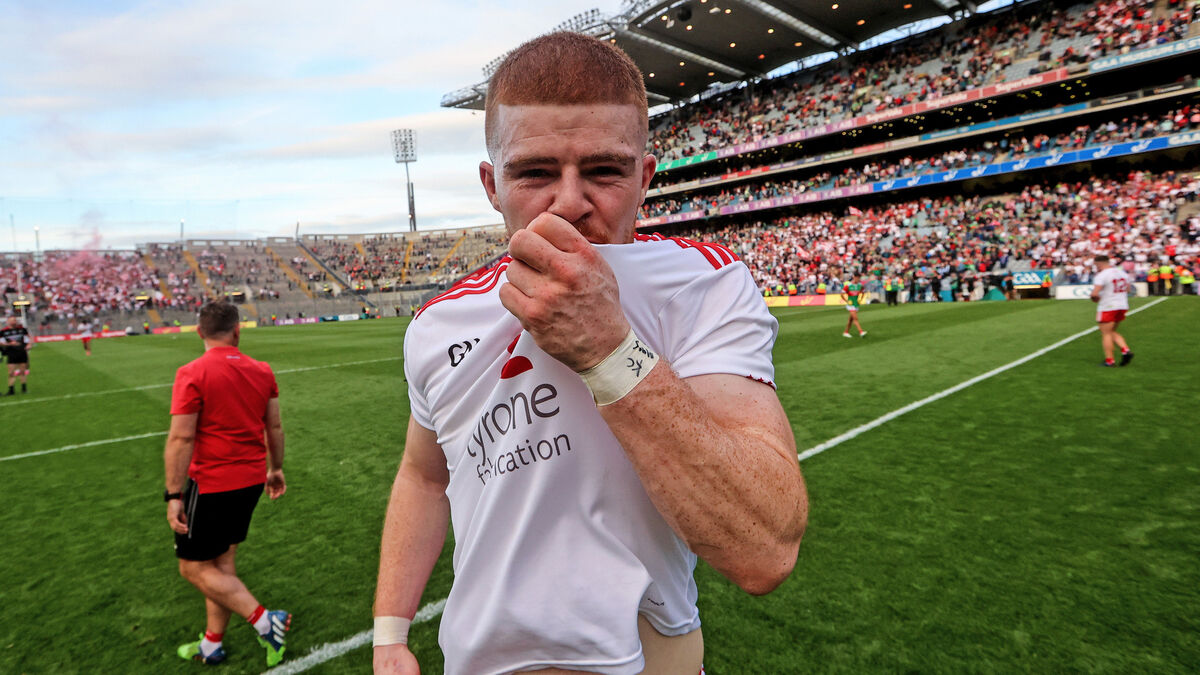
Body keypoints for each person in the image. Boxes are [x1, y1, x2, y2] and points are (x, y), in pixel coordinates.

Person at [374, 32, 807, 675]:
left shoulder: (703, 283)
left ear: (644, 177)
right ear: (494, 185)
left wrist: (608, 348)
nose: (571, 202)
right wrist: (389, 634)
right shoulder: (438, 323)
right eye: (535, 173)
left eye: (604, 170)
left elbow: (764, 548)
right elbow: (423, 475)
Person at [163, 300, 291, 666]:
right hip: (251, 479)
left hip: (212, 483)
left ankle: (266, 621)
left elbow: (181, 439)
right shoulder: (262, 370)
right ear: (238, 330)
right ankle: (212, 644)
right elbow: (275, 427)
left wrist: (174, 495)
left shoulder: (192, 372)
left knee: (192, 566)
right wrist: (276, 468)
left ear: (199, 331)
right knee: (221, 564)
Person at [1090, 255, 1134, 367]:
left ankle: (1109, 360)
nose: (1096, 268)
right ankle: (1125, 350)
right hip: (1122, 304)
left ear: (1099, 264)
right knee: (1112, 331)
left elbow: (1095, 293)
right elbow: (1128, 289)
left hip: (1108, 305)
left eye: (1096, 266)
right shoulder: (1122, 273)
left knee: (1106, 333)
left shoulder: (1102, 275)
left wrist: (1095, 298)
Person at [1, 316, 32, 395]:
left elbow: (28, 338)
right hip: (11, 353)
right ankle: (11, 390)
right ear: (8, 322)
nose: (14, 322)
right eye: (12, 320)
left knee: (22, 372)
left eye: (15, 320)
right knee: (11, 373)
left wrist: (29, 344)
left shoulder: (22, 329)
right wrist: (9, 344)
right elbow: (1, 343)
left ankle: (24, 389)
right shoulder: (3, 331)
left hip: (22, 352)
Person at [841, 274, 867, 338]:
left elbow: (863, 292)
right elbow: (842, 294)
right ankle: (861, 332)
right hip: (850, 304)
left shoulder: (860, 285)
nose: (858, 279)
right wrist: (846, 301)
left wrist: (860, 299)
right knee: (855, 318)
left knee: (851, 320)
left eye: (859, 278)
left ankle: (846, 332)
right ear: (854, 277)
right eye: (857, 278)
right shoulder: (848, 285)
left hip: (856, 304)